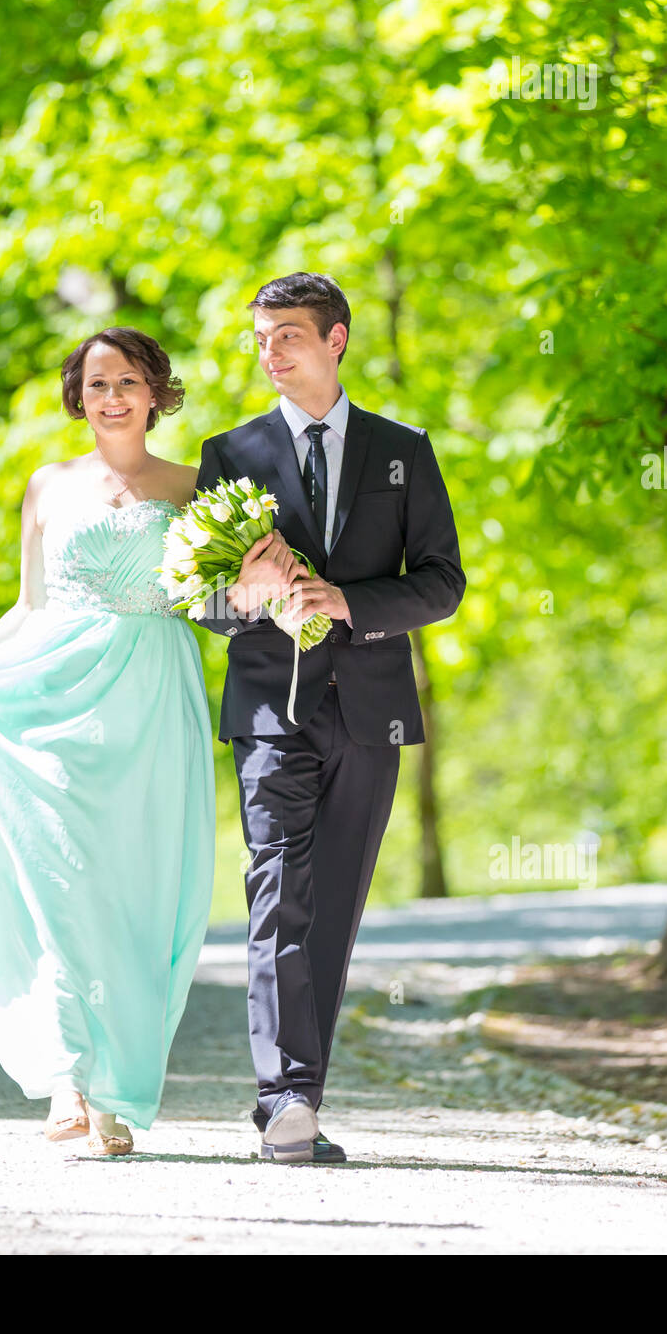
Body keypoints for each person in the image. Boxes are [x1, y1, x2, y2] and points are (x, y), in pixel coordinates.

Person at [0, 327, 218, 1156]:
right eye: (97, 383)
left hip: (153, 695)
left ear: (155, 391)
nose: (111, 397)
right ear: (78, 395)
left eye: (127, 381)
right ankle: (69, 1075)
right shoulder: (46, 485)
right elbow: (30, 608)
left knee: (138, 888)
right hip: (56, 694)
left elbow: (222, 595)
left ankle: (117, 1092)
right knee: (60, 875)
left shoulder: (197, 483)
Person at [194, 272, 466, 1163]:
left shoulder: (404, 451)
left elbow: (441, 583)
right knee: (276, 893)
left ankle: (302, 1088)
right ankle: (284, 1104)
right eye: (262, 339)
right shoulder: (229, 452)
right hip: (271, 710)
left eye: (288, 337)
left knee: (335, 903)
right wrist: (249, 595)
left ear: (336, 339)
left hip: (372, 714)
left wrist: (348, 601)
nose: (270, 354)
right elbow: (201, 598)